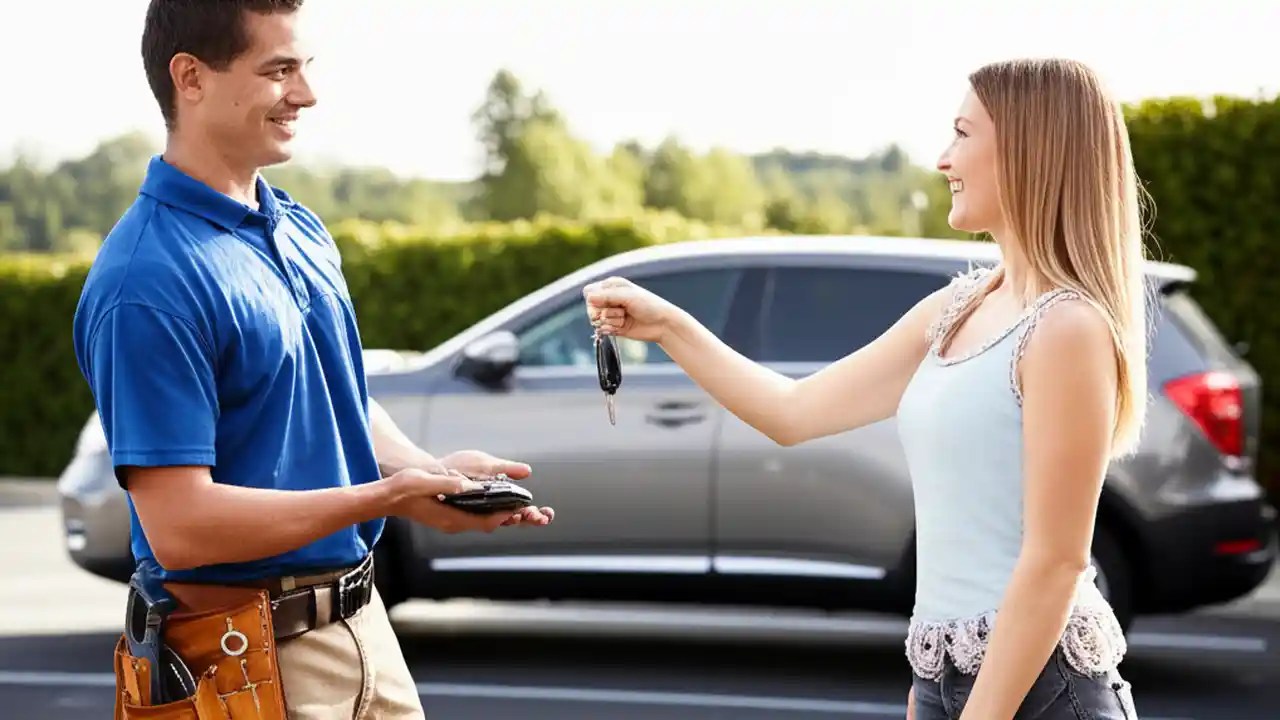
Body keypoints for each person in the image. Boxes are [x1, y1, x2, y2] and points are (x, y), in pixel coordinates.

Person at [584, 57, 1145, 719]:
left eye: (963, 134)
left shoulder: (1067, 328)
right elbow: (792, 412)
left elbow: (1054, 563)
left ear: (1030, 148)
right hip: (947, 679)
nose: (942, 159)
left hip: (1043, 692)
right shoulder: (958, 307)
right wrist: (672, 327)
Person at [72, 1, 553, 717]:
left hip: (365, 629)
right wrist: (384, 498)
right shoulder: (146, 280)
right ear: (191, 78)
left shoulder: (297, 225)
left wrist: (427, 471)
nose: (307, 93)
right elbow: (182, 526)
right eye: (279, 70)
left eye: (305, 67)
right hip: (240, 661)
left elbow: (340, 395)